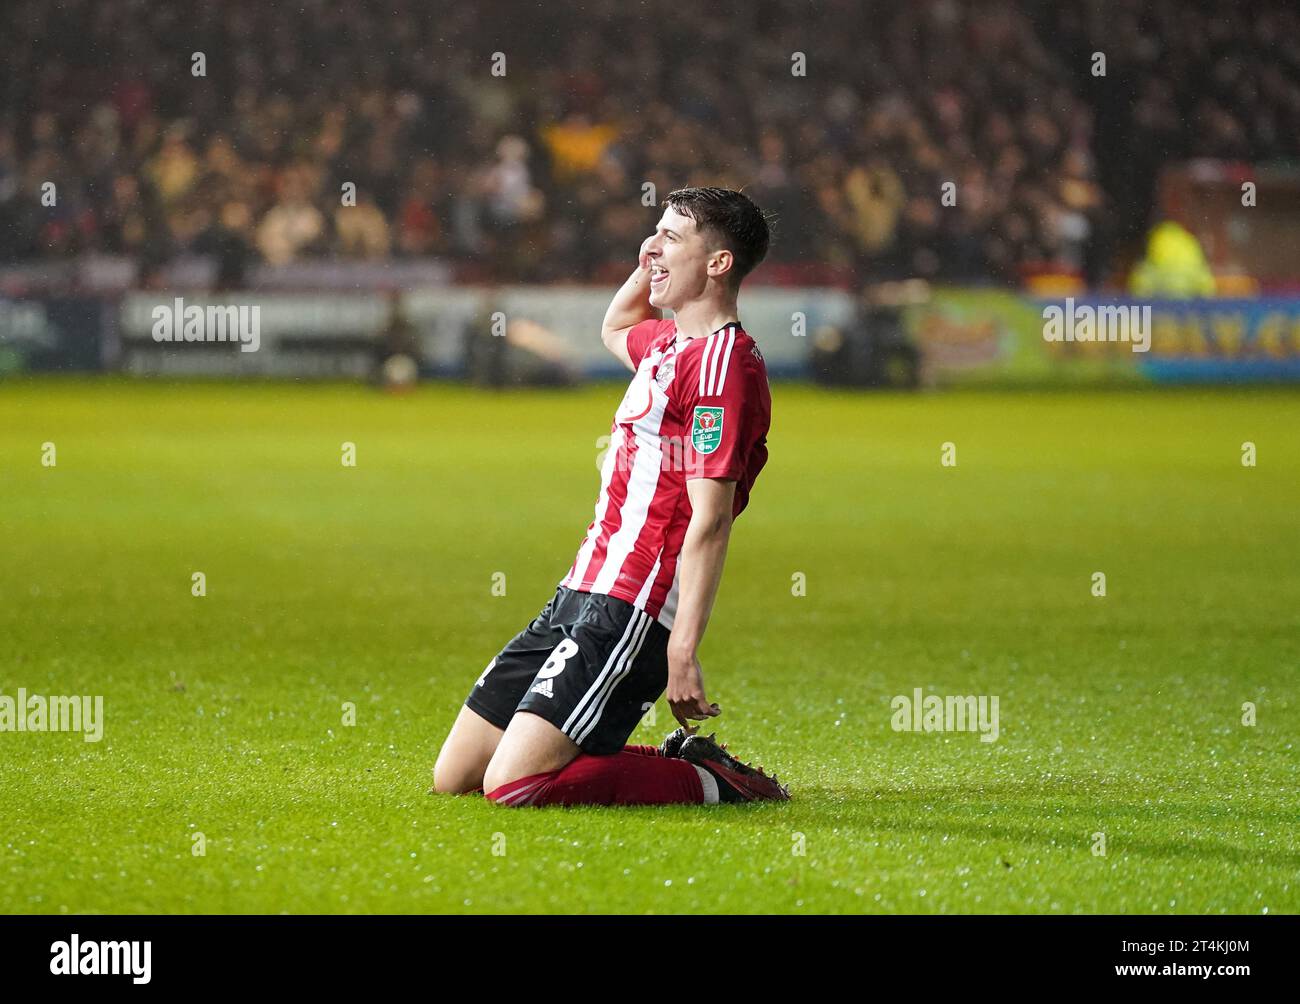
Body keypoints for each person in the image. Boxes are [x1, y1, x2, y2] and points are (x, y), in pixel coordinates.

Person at [432, 187, 789, 806]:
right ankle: (676, 759)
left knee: (514, 786)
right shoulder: (668, 344)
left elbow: (710, 520)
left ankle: (713, 781)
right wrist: (650, 260)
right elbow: (615, 325)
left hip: (636, 604)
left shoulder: (722, 366)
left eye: (672, 239)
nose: (653, 248)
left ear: (718, 264)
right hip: (581, 587)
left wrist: (682, 649)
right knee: (456, 775)